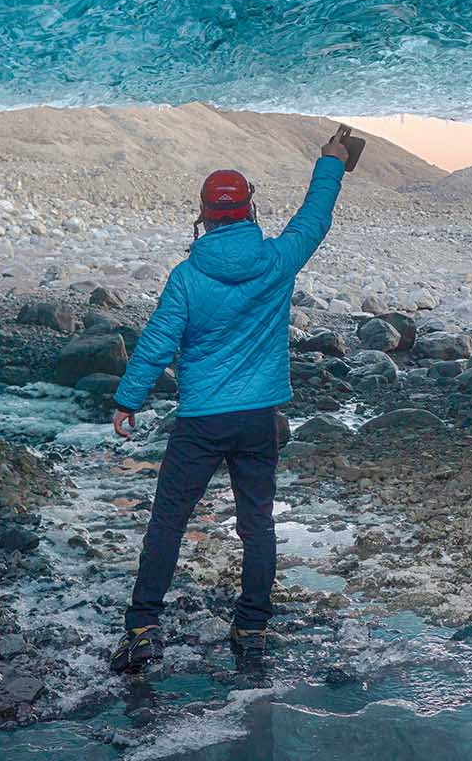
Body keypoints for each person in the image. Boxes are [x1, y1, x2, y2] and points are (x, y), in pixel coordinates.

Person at [106, 129, 352, 675]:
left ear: (203, 215)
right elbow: (315, 217)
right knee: (257, 524)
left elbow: (157, 341)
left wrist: (128, 399)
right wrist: (331, 161)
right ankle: (253, 630)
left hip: (200, 420)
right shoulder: (276, 260)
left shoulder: (188, 277)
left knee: (168, 521)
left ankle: (144, 629)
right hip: (258, 418)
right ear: (249, 209)